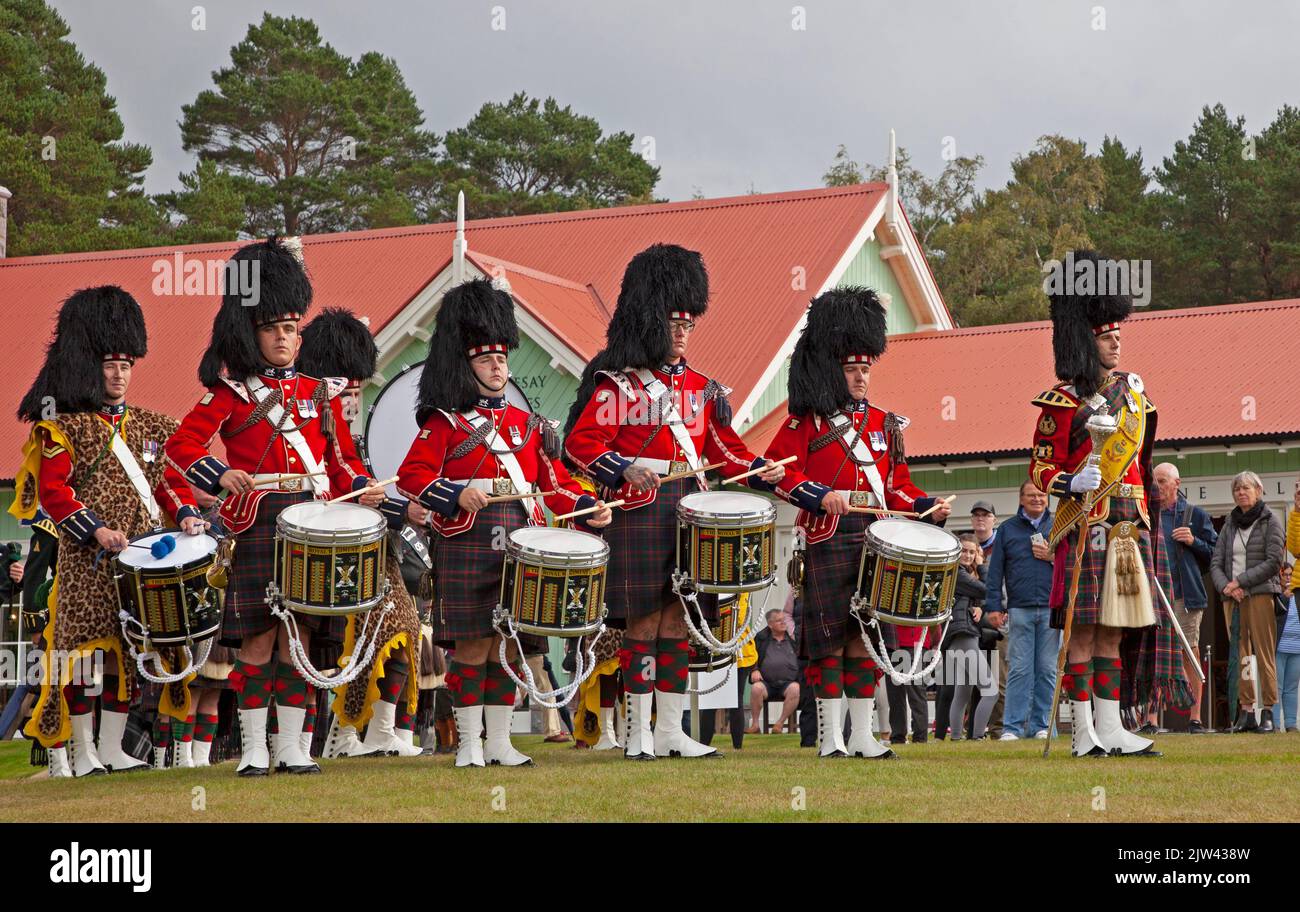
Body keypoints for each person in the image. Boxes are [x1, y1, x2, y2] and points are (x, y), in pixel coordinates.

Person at [165, 237, 386, 777]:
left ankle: (293, 747)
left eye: (291, 328)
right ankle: (255, 750)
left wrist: (363, 484)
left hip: (313, 520)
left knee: (302, 638)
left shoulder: (321, 392)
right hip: (260, 518)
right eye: (273, 329)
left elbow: (341, 461)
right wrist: (221, 475)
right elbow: (180, 448)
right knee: (259, 637)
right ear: (252, 333)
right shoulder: (228, 393)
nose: (285, 339)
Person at [564, 243, 784, 760]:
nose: (683, 333)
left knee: (676, 623)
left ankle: (669, 731)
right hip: (640, 510)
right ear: (650, 323)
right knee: (641, 623)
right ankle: (638, 734)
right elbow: (579, 444)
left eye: (689, 324)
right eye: (673, 323)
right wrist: (621, 468)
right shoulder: (616, 387)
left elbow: (724, 452)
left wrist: (759, 470)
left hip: (690, 512)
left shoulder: (706, 390)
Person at [398, 277, 611, 768]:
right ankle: (469, 745)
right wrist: (455, 491)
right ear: (465, 365)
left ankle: (498, 742)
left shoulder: (526, 423)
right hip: (468, 539)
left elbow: (552, 483)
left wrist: (586, 503)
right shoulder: (444, 423)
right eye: (486, 360)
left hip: (518, 544)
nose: (497, 367)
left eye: (501, 359)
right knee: (472, 648)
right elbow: (412, 477)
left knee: (502, 650)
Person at [12, 286, 204, 776]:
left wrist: (184, 513)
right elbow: (56, 494)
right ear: (90, 368)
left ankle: (113, 749)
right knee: (83, 658)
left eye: (126, 365)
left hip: (140, 561)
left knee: (127, 655)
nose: (119, 374)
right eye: (109, 365)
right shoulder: (64, 428)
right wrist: (96, 531)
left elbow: (167, 483)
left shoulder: (149, 425)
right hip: (88, 560)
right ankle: (81, 751)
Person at [762, 286, 952, 759]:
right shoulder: (806, 421)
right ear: (834, 370)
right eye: (852, 369)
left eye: (866, 368)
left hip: (875, 538)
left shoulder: (886, 423)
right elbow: (777, 473)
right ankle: (830, 738)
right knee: (828, 642)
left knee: (866, 639)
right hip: (827, 536)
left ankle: (864, 736)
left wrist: (926, 505)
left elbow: (898, 488)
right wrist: (820, 495)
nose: (862, 376)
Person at [1030, 250, 1186, 759]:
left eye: (1119, 333)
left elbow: (1141, 463)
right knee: (1083, 629)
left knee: (1115, 631)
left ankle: (1111, 728)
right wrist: (1072, 482)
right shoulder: (1061, 402)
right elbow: (1038, 469)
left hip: (1127, 523)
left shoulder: (1137, 398)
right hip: (1086, 520)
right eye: (1105, 334)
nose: (1117, 341)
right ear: (1085, 339)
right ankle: (1082, 735)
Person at [294, 307, 425, 759]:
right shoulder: (310, 416)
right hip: (315, 545)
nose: (353, 400)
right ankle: (331, 737)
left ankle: (378, 732)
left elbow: (353, 478)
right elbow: (328, 481)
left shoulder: (346, 430)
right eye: (346, 391)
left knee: (401, 630)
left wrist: (403, 505)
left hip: (365, 549)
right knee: (317, 648)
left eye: (357, 390)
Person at [1209, 470, 1285, 733]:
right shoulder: (1229, 524)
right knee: (1241, 656)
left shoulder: (1270, 521)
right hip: (1233, 598)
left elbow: (1273, 561)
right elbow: (1216, 562)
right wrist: (1228, 588)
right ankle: (1246, 711)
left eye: (1246, 488)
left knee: (1263, 653)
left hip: (1261, 594)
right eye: (1237, 489)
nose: (1241, 493)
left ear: (1258, 491)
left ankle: (1268, 712)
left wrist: (1240, 581)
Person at [984, 481, 1057, 741]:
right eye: (1031, 495)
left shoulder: (1059, 525)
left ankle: (1041, 725)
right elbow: (995, 572)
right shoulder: (1007, 529)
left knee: (1047, 670)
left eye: (1041, 495)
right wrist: (993, 606)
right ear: (1021, 499)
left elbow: (1074, 563)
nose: (1037, 499)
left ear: (1047, 498)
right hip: (1019, 608)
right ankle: (1012, 727)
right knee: (1019, 670)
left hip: (1052, 608)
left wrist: (1053, 557)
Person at [1147, 462, 1217, 733]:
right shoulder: (1147, 515)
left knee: (1190, 652)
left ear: (1177, 483)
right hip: (1153, 596)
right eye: (1155, 481)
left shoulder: (1195, 515)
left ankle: (1195, 718)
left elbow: (1214, 555)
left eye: (1163, 481)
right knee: (1154, 654)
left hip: (1185, 595)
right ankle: (1151, 720)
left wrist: (1193, 541)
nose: (1158, 486)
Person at [943, 534, 997, 740]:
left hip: (961, 636)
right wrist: (982, 565)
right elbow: (988, 590)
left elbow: (975, 599)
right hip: (963, 636)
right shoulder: (958, 573)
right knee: (990, 691)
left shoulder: (960, 574)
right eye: (964, 550)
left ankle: (956, 738)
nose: (967, 555)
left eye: (971, 552)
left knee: (962, 694)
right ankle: (976, 736)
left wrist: (978, 607)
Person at [748, 609, 800, 733]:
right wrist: (754, 669)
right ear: (770, 624)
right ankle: (755, 725)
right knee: (756, 688)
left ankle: (779, 724)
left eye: (784, 620)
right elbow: (751, 655)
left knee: (795, 689)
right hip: (766, 683)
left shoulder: (793, 637)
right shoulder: (761, 638)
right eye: (778, 620)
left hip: (789, 683)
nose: (783, 623)